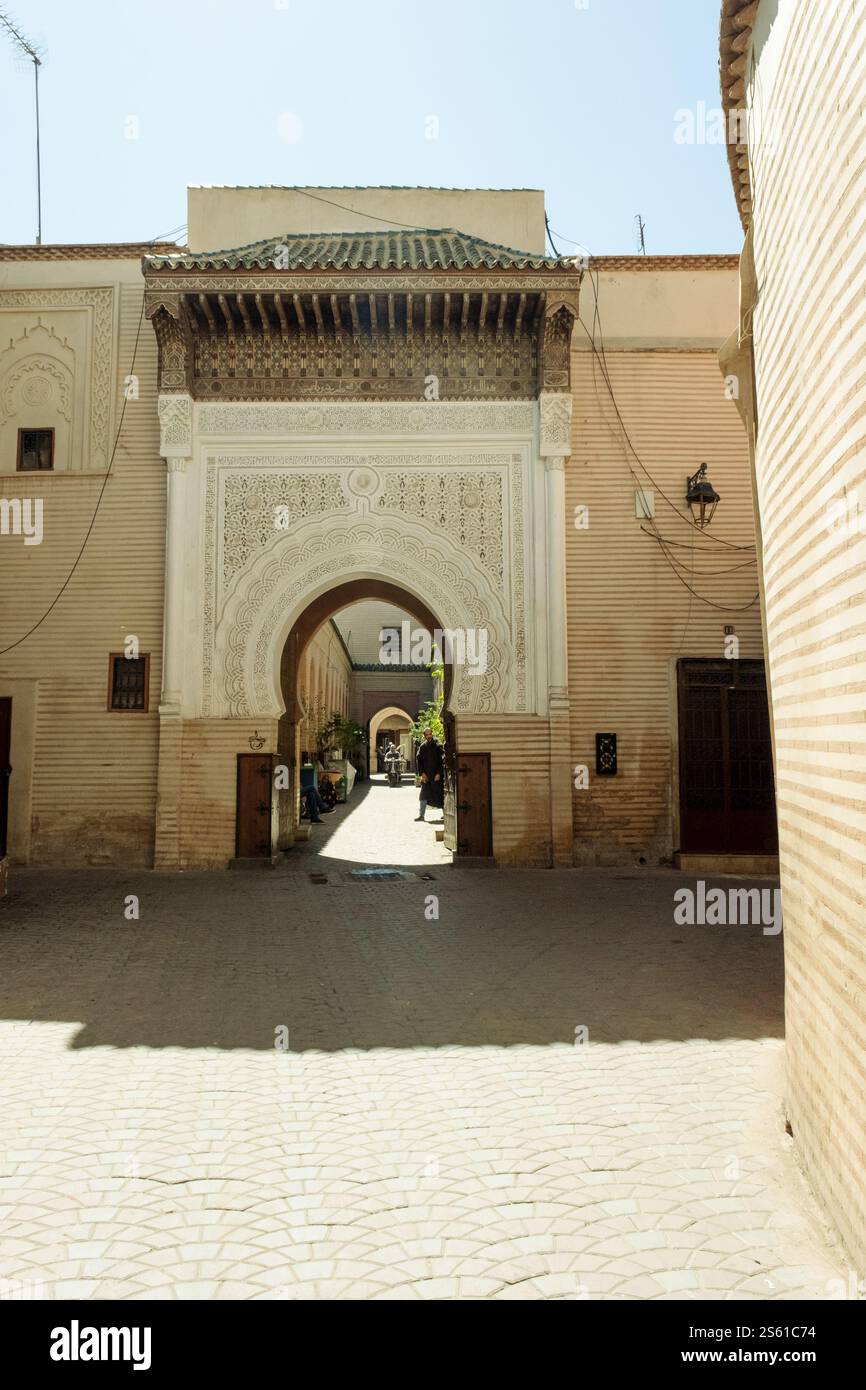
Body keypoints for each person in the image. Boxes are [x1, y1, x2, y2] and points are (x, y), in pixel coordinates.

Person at [415, 727, 444, 822]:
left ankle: (446, 814)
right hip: (427, 776)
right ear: (424, 736)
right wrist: (422, 773)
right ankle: (421, 816)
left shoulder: (438, 746)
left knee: (441, 794)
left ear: (432, 733)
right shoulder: (422, 747)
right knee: (423, 795)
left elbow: (442, 761)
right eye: (426, 735)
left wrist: (439, 773)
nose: (429, 736)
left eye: (430, 734)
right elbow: (419, 761)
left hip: (436, 776)